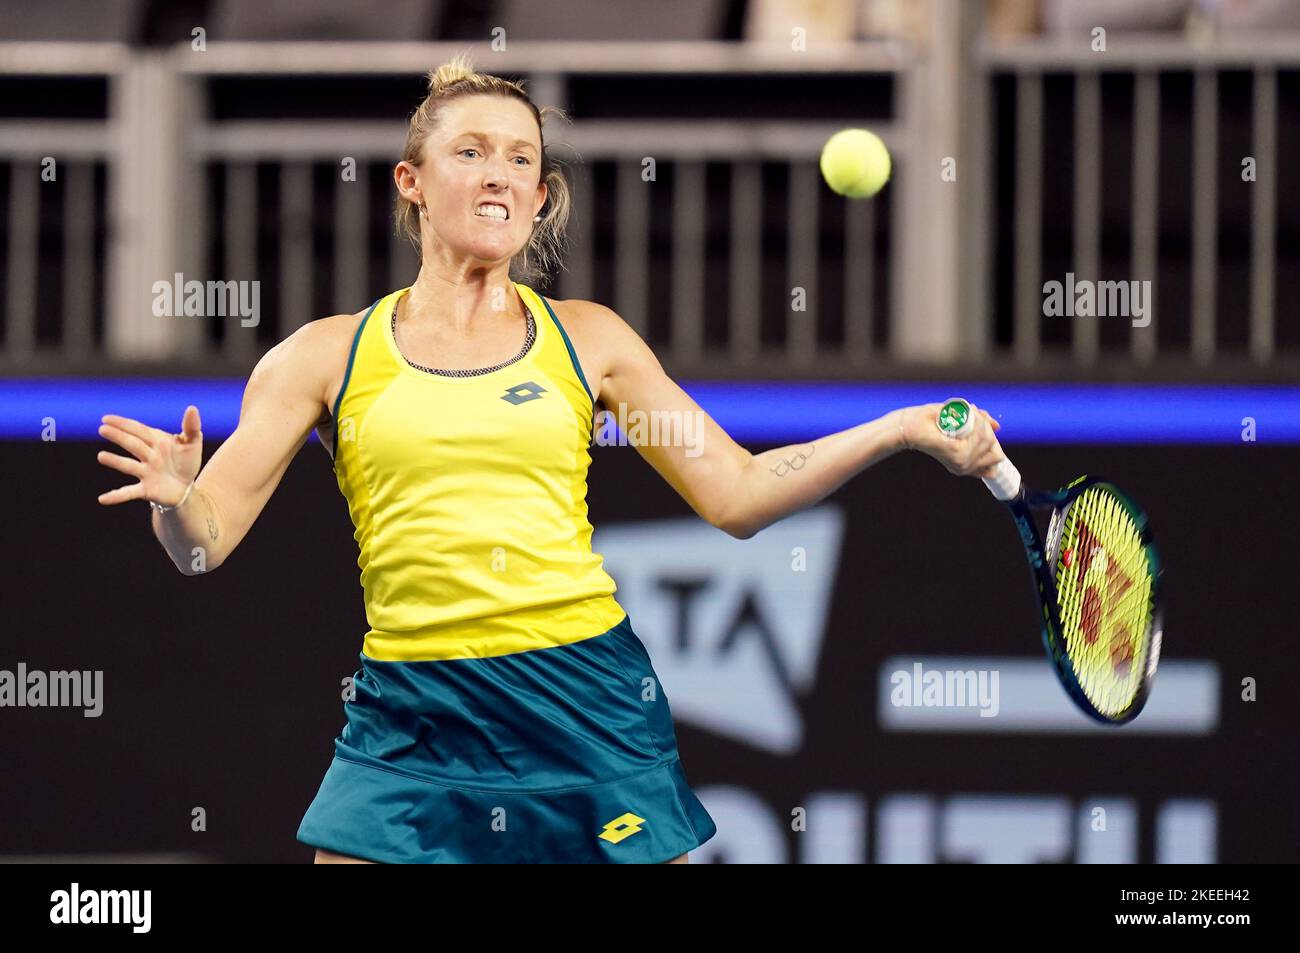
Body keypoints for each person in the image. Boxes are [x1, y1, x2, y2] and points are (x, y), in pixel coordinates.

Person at [96, 54, 1006, 864]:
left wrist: (899, 427)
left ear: (538, 198)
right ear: (411, 181)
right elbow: (203, 545)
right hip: (412, 713)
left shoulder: (591, 342)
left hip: (583, 698)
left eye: (522, 160)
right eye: (473, 152)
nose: (500, 174)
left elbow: (736, 491)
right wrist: (177, 503)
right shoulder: (323, 355)